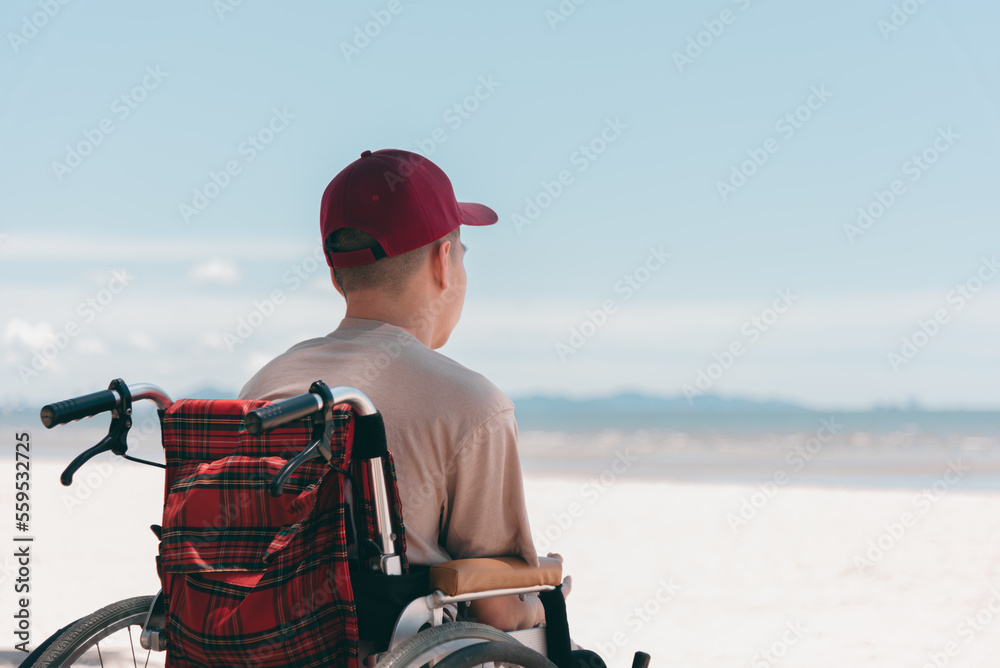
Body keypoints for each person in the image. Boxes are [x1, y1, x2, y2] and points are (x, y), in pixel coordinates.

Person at [238, 149, 570, 637]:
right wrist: (546, 600)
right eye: (462, 253)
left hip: (267, 641)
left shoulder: (265, 388)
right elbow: (495, 612)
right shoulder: (473, 404)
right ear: (443, 262)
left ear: (336, 276)